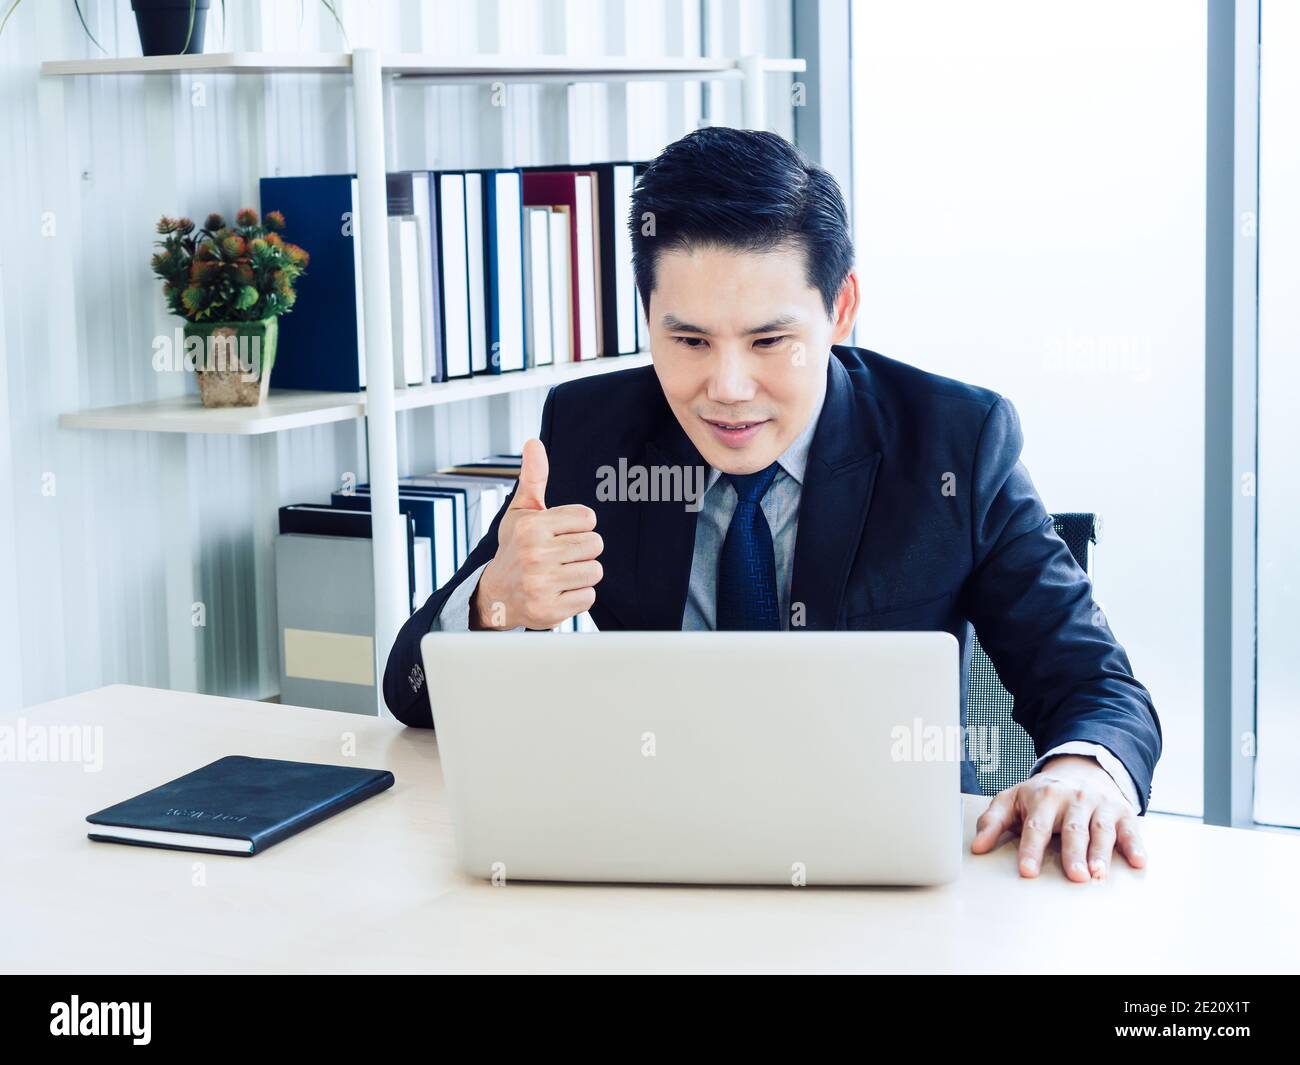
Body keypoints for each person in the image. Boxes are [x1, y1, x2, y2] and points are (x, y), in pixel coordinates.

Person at [384, 126, 1161, 883]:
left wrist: (1083, 769)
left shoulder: (954, 443)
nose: (726, 389)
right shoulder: (591, 434)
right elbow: (408, 694)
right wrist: (491, 603)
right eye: (688, 341)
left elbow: (1098, 687)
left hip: (880, 882)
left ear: (841, 308)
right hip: (650, 861)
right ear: (647, 313)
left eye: (767, 342)